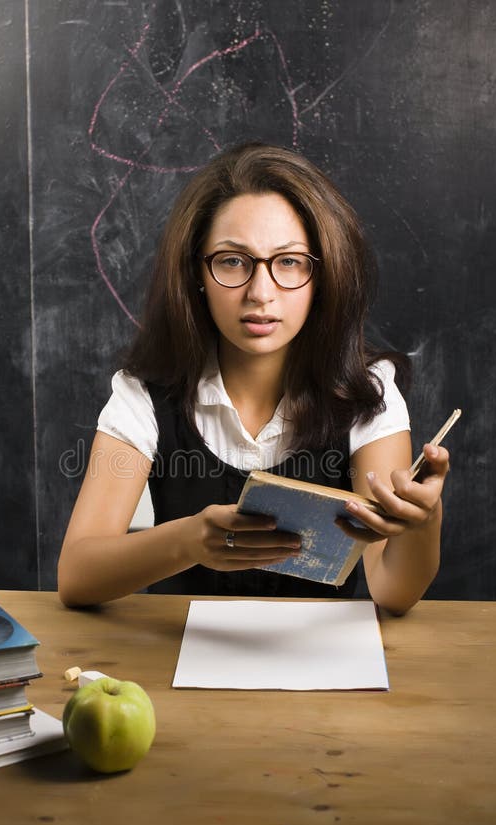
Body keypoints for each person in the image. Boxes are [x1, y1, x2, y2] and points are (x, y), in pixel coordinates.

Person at [58, 142, 450, 614]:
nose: (260, 293)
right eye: (232, 261)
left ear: (322, 275)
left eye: (289, 262)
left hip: (322, 667)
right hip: (175, 663)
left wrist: (423, 520)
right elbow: (76, 576)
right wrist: (187, 541)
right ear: (196, 273)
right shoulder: (144, 396)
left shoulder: (368, 392)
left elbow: (393, 592)